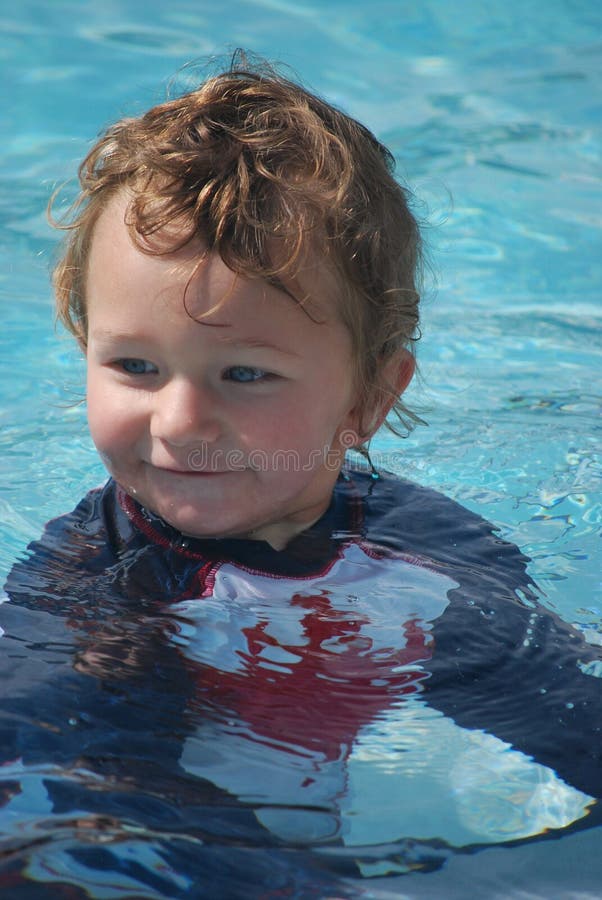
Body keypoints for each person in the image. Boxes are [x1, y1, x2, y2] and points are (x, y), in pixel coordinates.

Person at [2, 55, 602, 891]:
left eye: (245, 374)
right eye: (135, 366)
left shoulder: (427, 554)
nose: (178, 422)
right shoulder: (94, 584)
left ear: (369, 398)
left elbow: (564, 712)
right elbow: (62, 776)